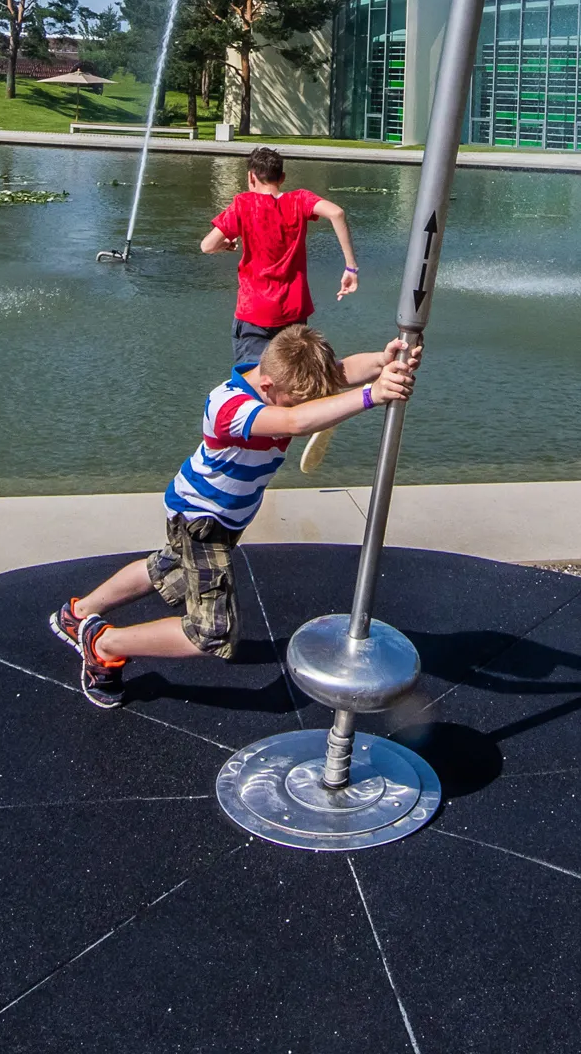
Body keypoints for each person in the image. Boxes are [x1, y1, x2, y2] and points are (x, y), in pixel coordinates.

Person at [49, 324, 419, 707]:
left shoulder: (277, 379)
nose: (302, 405)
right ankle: (103, 644)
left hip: (218, 516)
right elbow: (296, 422)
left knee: (166, 567)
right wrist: (372, 396)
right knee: (212, 633)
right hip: (202, 519)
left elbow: (340, 372)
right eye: (295, 399)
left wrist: (382, 361)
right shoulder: (230, 408)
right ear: (269, 385)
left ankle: (78, 613)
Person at [201, 146, 359, 368]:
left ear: (251, 176)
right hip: (293, 312)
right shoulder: (300, 200)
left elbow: (207, 246)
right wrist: (350, 268)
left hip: (254, 312)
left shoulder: (243, 204)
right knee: (293, 380)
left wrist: (224, 245)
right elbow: (337, 213)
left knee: (255, 381)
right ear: (282, 177)